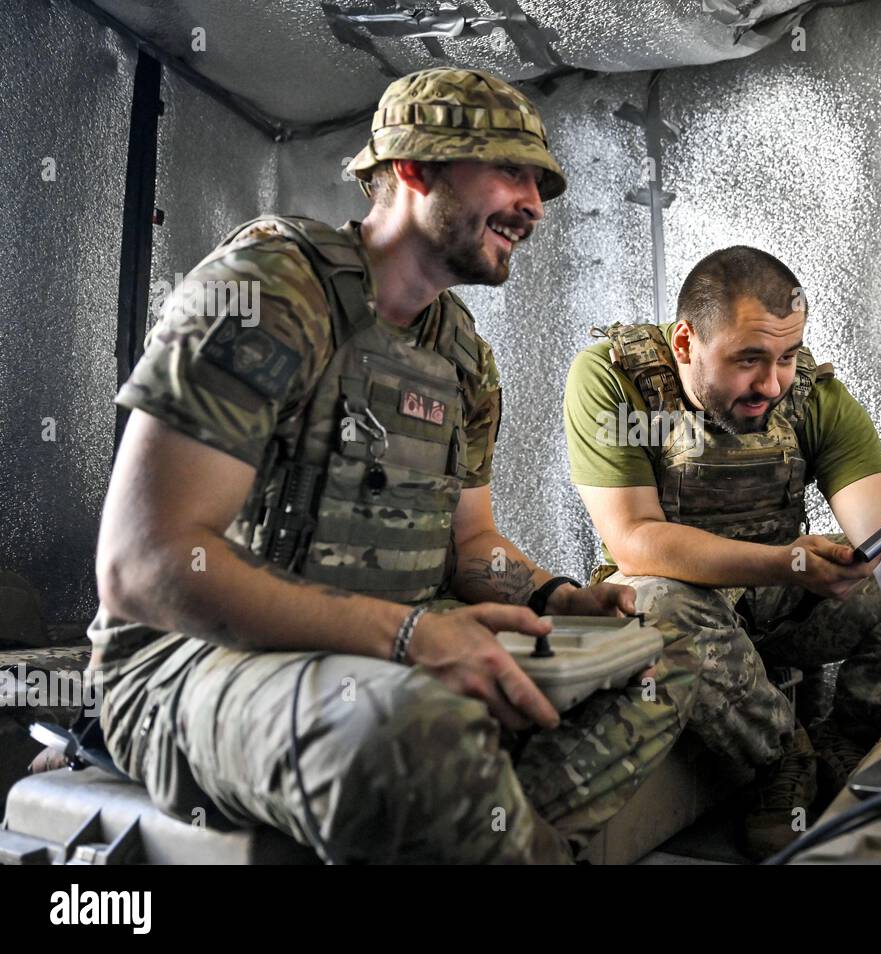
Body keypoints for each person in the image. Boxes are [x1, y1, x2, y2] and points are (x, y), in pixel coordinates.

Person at [87, 68, 695, 864]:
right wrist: (411, 636)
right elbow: (144, 567)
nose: (535, 207)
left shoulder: (462, 356)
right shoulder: (268, 292)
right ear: (414, 167)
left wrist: (556, 595)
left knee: (669, 658)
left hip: (380, 646)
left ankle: (495, 835)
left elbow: (473, 545)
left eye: (541, 184)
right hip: (195, 659)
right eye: (511, 171)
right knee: (416, 735)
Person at [562, 245, 881, 857]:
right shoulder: (616, 380)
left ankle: (844, 742)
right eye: (748, 360)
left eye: (787, 357)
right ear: (686, 342)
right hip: (687, 621)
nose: (771, 384)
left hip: (780, 609)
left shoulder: (809, 396)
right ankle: (781, 759)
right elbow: (635, 539)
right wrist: (783, 562)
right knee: (657, 600)